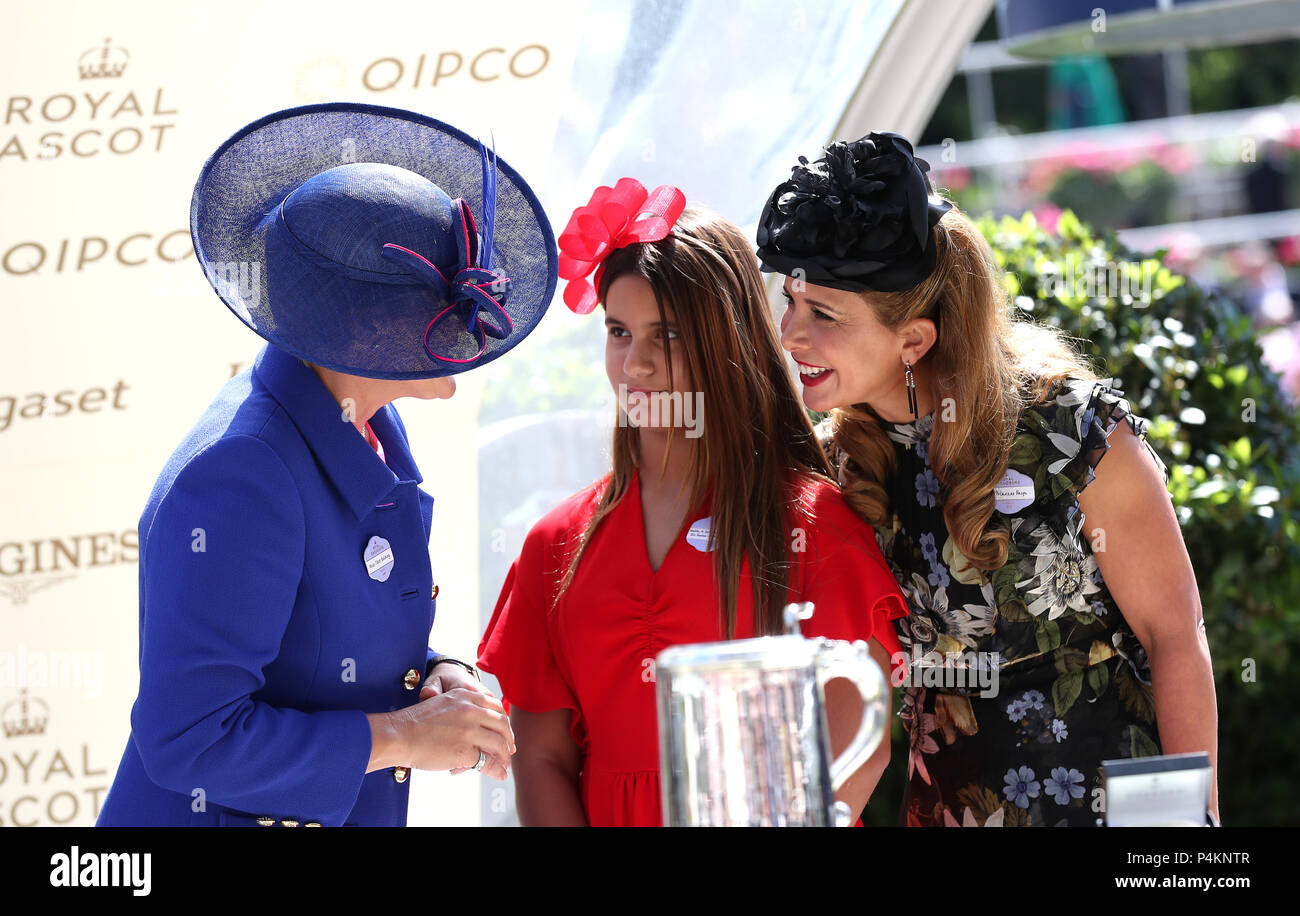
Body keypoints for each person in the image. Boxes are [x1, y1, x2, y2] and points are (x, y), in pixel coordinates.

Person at [95, 102, 556, 827]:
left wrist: (435, 675)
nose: (471, 318)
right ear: (361, 329)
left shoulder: (360, 418)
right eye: (430, 295)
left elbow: (316, 637)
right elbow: (188, 742)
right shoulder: (242, 474)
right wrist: (403, 735)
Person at [755, 131, 1220, 827]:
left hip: (1114, 814)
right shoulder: (838, 466)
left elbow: (1175, 635)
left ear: (914, 340)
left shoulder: (1072, 431)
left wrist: (1191, 835)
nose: (790, 333)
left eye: (823, 314)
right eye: (792, 302)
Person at [476, 179, 908, 827]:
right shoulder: (551, 544)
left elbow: (858, 740)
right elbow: (540, 760)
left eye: (668, 335)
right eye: (619, 332)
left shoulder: (812, 523)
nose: (637, 364)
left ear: (727, 344)